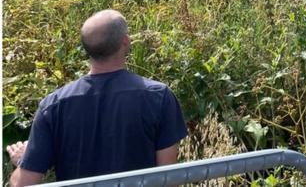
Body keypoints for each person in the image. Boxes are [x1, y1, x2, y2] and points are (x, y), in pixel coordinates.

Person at [5, 10, 188, 186]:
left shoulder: (53, 105)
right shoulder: (158, 96)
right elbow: (168, 179)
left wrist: (22, 161)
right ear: (125, 41)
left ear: (86, 49)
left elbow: (23, 184)